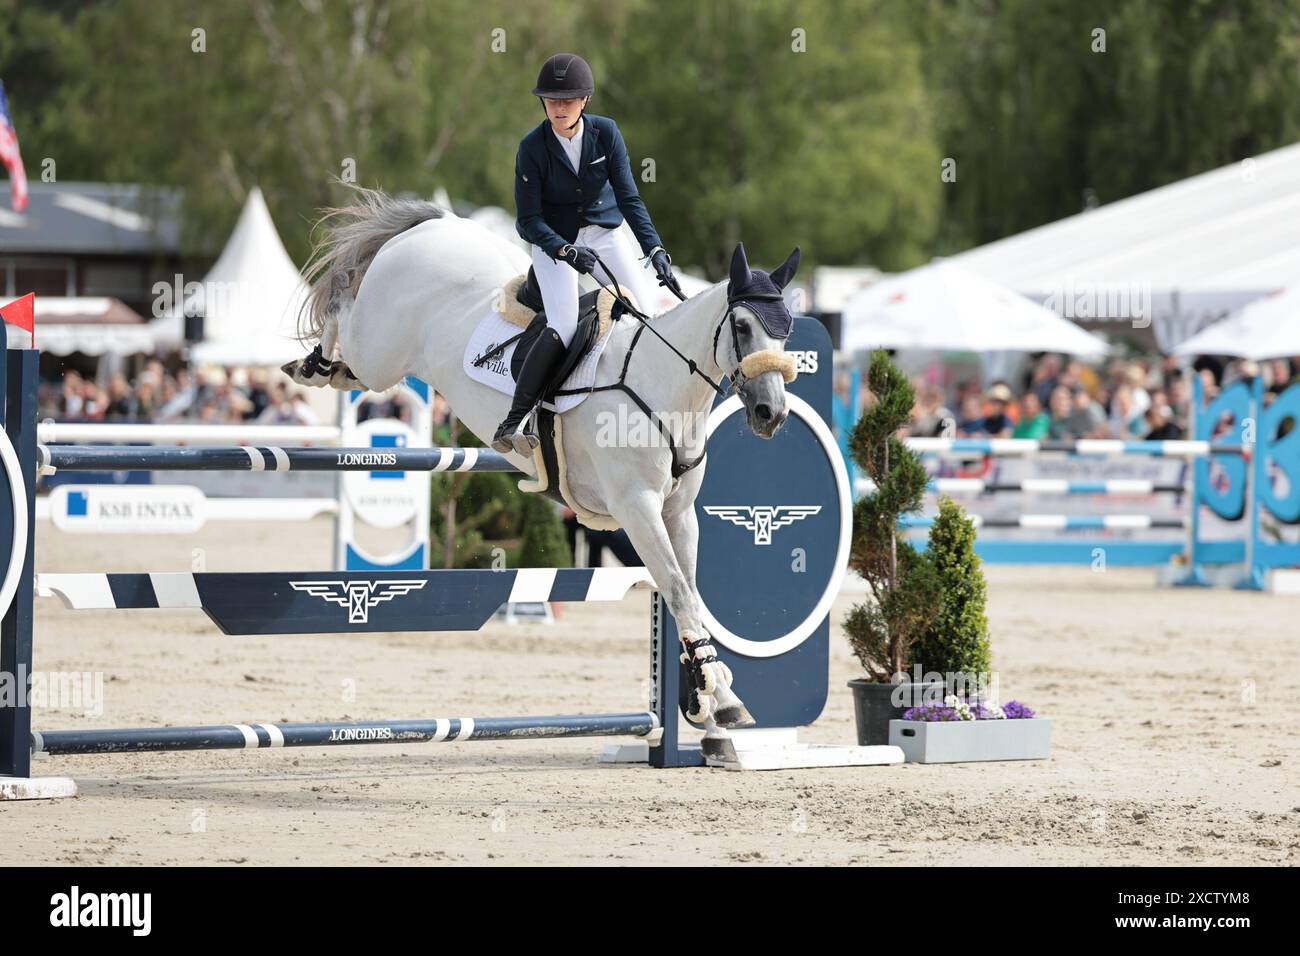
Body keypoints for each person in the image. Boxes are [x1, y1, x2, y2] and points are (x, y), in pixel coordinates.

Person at [492, 53, 678, 456]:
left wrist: (656, 249)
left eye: (568, 99)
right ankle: (516, 418)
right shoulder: (532, 148)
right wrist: (563, 249)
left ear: (585, 100)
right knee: (565, 323)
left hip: (605, 233)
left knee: (644, 313)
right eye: (552, 100)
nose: (559, 107)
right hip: (553, 241)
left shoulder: (606, 134)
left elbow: (629, 199)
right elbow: (527, 220)